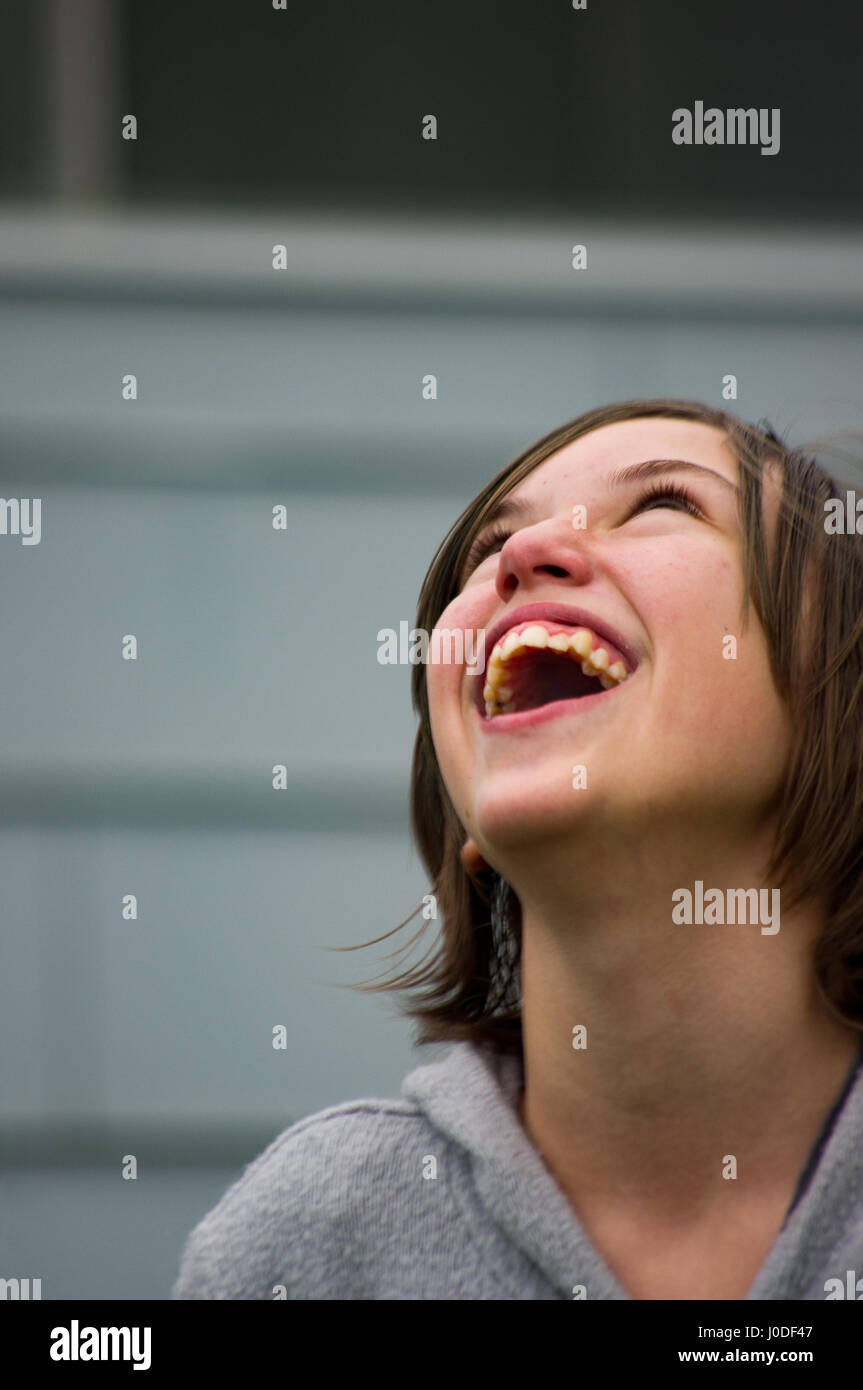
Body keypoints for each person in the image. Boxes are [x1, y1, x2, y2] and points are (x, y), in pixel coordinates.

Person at [173, 398, 863, 1300]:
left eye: (663, 505)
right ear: (467, 831)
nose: (518, 560)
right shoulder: (310, 1239)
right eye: (490, 545)